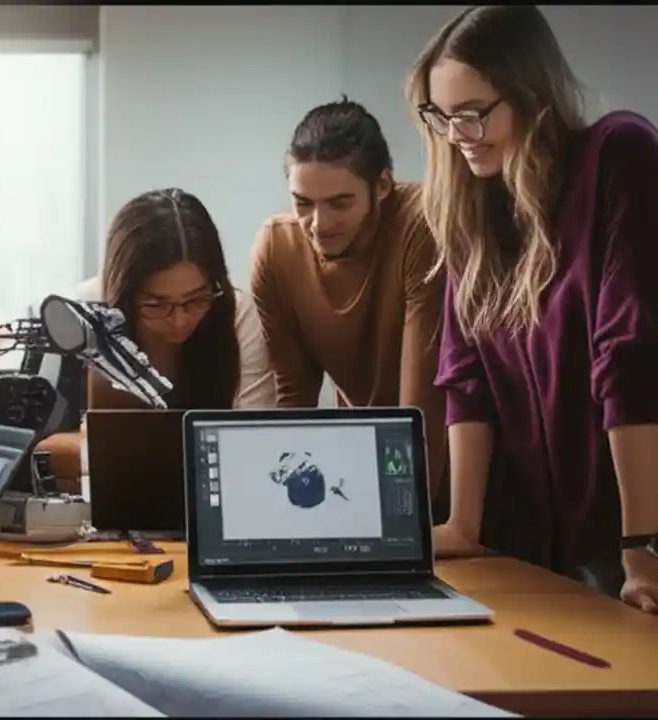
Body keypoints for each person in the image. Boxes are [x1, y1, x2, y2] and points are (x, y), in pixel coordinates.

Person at [410, 5, 658, 613]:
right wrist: (462, 525)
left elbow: (628, 358)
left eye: (473, 113)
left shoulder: (618, 152)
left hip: (627, 536)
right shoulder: (471, 207)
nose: (458, 135)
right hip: (536, 550)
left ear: (532, 94)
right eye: (442, 116)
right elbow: (466, 380)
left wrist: (642, 550)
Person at [249, 99, 448, 514]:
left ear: (383, 185)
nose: (319, 224)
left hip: (453, 463)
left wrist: (405, 522)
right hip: (364, 459)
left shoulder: (423, 222)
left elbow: (422, 406)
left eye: (340, 203)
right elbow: (293, 398)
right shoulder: (278, 247)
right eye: (303, 203)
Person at [39, 188, 277, 483]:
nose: (179, 320)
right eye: (155, 304)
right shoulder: (81, 315)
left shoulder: (237, 315)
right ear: (123, 295)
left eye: (196, 299)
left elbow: (254, 441)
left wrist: (107, 450)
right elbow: (41, 449)